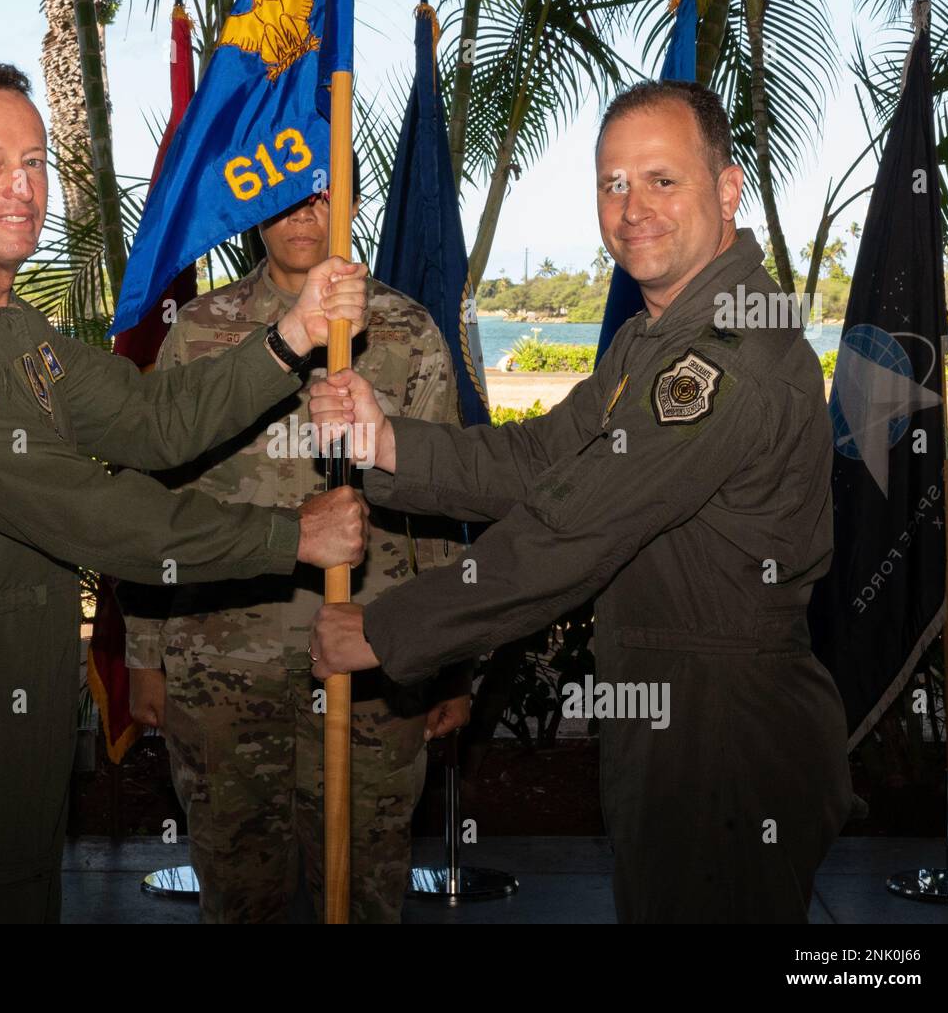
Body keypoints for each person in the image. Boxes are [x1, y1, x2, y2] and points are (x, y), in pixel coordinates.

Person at [0, 60, 371, 924]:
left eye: (35, 162)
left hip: (14, 695)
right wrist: (286, 537)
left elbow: (153, 417)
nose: (24, 188)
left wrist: (290, 335)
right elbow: (78, 505)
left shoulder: (6, 324)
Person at [308, 80, 855, 924]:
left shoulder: (725, 355)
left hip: (725, 737)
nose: (632, 207)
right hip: (673, 714)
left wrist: (388, 629)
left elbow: (576, 526)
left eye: (662, 180)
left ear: (729, 189)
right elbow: (541, 459)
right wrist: (390, 445)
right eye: (612, 183)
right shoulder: (652, 338)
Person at [122, 166, 473, 924]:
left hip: (373, 669)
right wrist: (144, 651)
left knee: (366, 888)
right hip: (221, 668)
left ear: (349, 202)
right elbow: (158, 499)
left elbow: (440, 511)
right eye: (281, 196)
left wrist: (448, 660)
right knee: (240, 892)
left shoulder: (406, 332)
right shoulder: (201, 331)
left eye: (321, 193)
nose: (302, 215)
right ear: (252, 209)